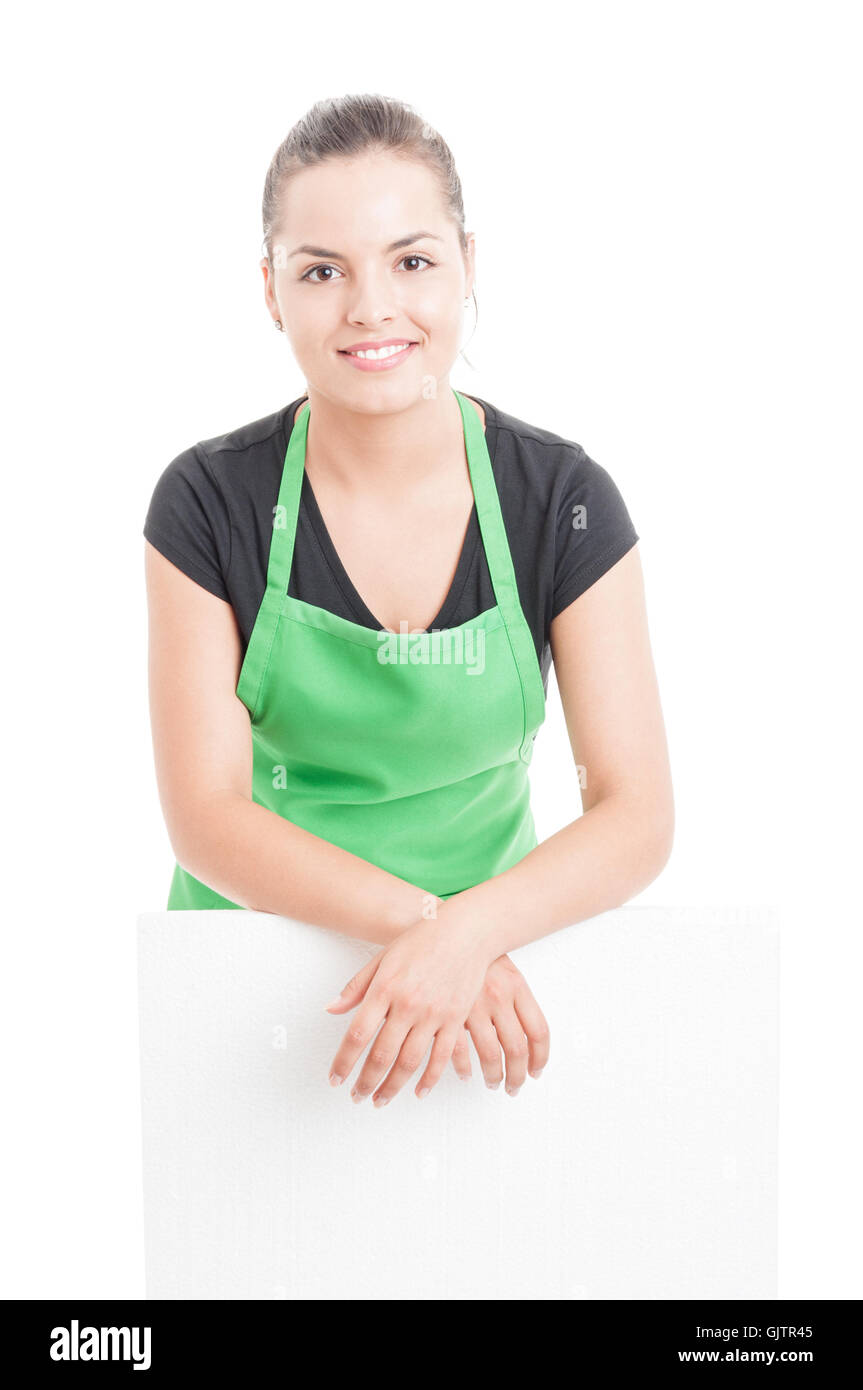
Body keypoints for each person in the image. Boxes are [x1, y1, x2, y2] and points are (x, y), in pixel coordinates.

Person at [144, 93, 674, 1111]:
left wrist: (467, 936)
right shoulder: (207, 503)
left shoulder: (559, 502)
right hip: (239, 983)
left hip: (488, 991)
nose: (370, 307)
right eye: (321, 270)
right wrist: (422, 928)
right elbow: (204, 814)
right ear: (269, 290)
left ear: (468, 264)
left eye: (412, 260)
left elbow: (637, 810)